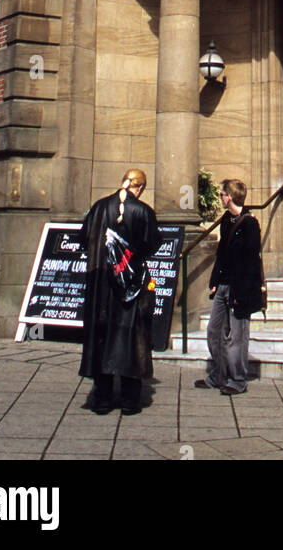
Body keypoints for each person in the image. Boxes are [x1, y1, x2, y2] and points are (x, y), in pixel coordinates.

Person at [78, 167, 161, 415]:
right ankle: (129, 399)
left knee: (102, 336)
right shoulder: (144, 211)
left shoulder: (99, 207)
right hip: (130, 286)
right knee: (131, 338)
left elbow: (84, 239)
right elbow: (151, 245)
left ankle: (102, 397)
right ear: (140, 188)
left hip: (100, 285)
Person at [199, 178, 264, 395]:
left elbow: (251, 261)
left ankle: (237, 379)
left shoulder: (250, 223)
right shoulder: (227, 221)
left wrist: (241, 292)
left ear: (230, 196)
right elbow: (222, 254)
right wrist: (214, 282)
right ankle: (218, 375)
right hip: (223, 285)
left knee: (237, 336)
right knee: (214, 330)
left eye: (222, 195)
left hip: (240, 288)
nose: (221, 199)